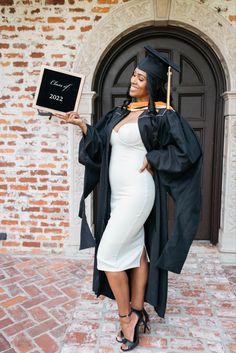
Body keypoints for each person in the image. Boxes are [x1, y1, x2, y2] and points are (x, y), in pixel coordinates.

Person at [62, 46, 202, 351]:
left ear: (152, 84)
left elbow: (188, 152)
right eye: (133, 75)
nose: (132, 80)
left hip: (138, 193)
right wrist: (83, 125)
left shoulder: (163, 115)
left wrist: (155, 157)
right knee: (137, 251)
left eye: (139, 78)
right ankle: (138, 310)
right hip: (117, 195)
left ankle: (126, 318)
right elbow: (100, 144)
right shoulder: (121, 112)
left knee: (108, 255)